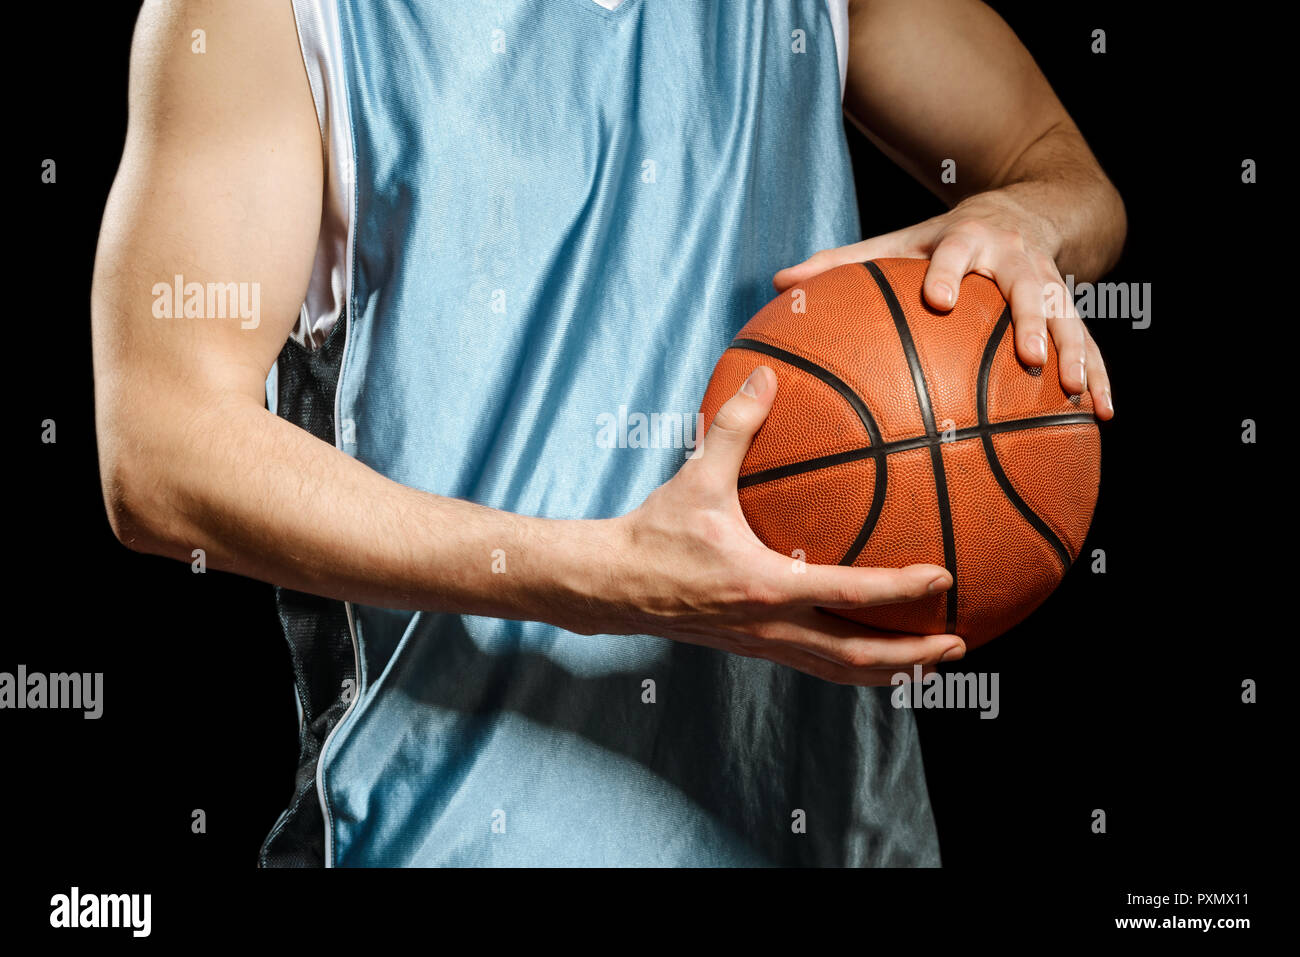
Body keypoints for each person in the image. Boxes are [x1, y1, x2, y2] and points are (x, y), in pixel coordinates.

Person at [91, 0, 1124, 866]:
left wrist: (1031, 225)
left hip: (839, 832)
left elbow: (1060, 172)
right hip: (450, 839)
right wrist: (604, 575)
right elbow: (161, 455)